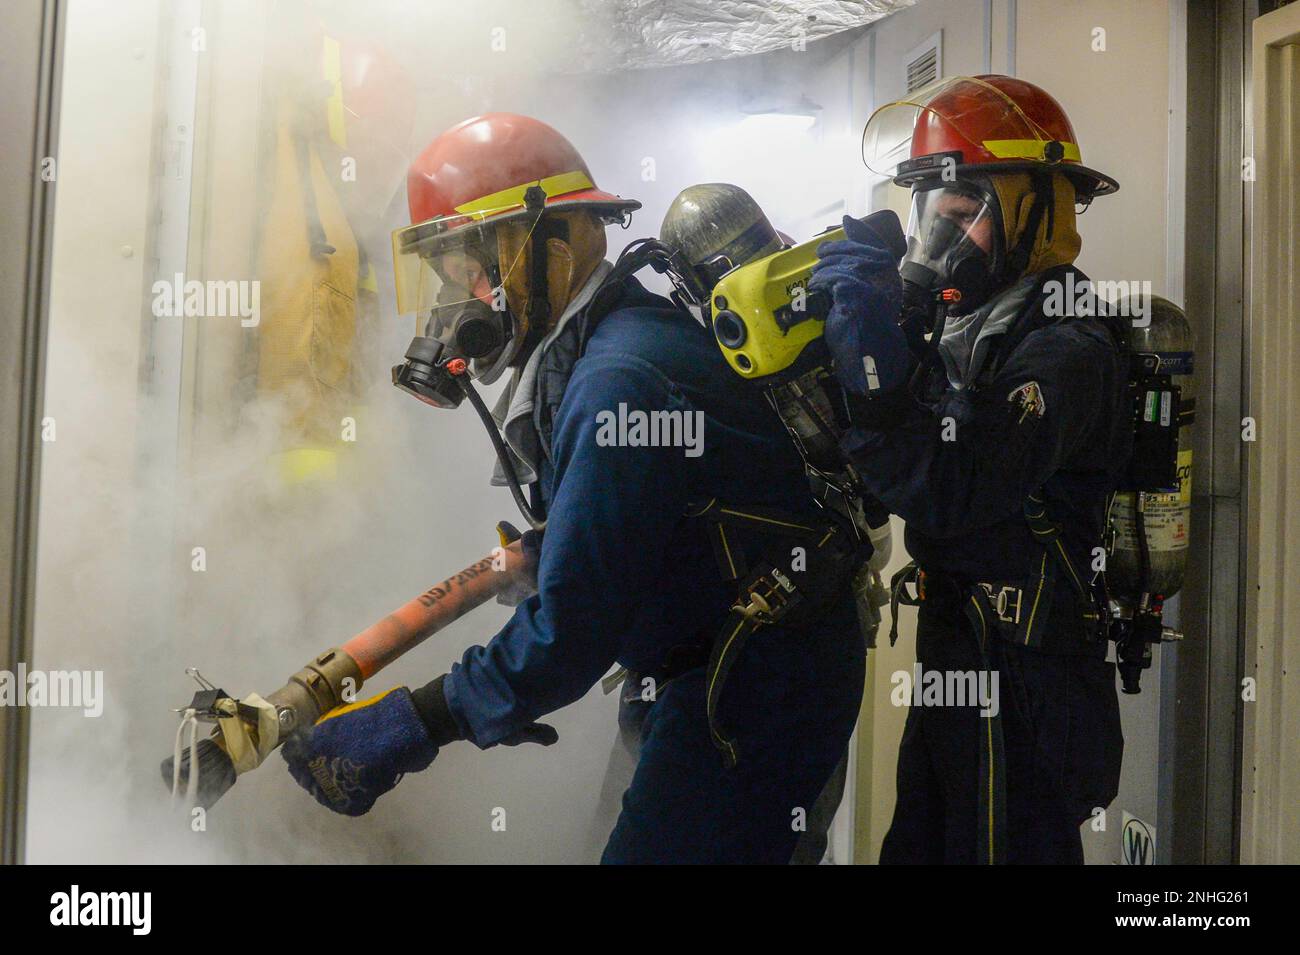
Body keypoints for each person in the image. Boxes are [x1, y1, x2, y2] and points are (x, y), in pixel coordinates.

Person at [279, 113, 864, 864]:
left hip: (754, 689)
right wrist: (556, 550)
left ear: (554, 241)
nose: (466, 304)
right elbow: (650, 524)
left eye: (476, 269)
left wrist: (414, 723)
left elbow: (574, 626)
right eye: (454, 278)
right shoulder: (614, 342)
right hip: (715, 664)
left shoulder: (619, 379)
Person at [809, 75, 1131, 864]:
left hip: (1024, 667)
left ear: (1036, 210)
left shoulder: (1068, 345)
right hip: (960, 646)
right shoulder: (978, 320)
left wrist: (879, 396)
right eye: (931, 215)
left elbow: (957, 485)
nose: (936, 241)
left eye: (960, 214)